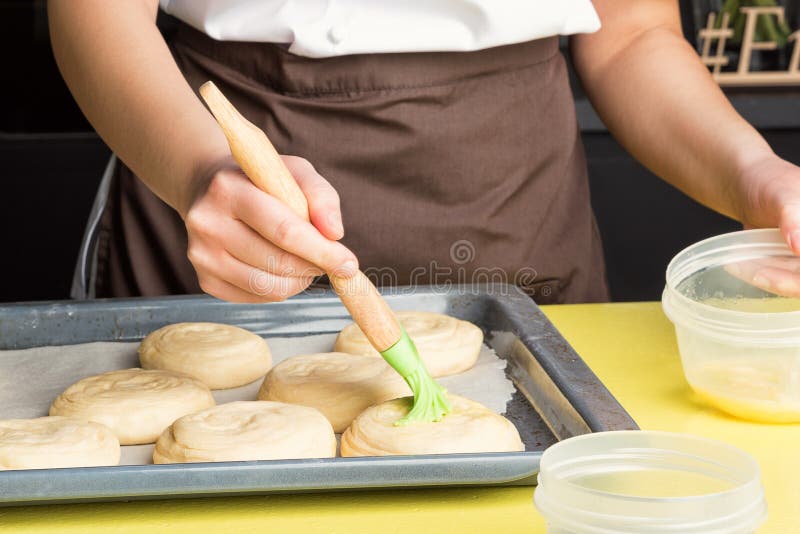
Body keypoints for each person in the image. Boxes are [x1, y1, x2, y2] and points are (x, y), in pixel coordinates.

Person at [48, 1, 800, 304]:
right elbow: (95, 18)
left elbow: (633, 32)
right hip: (225, 188)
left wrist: (753, 171)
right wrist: (197, 171)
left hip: (515, 213)